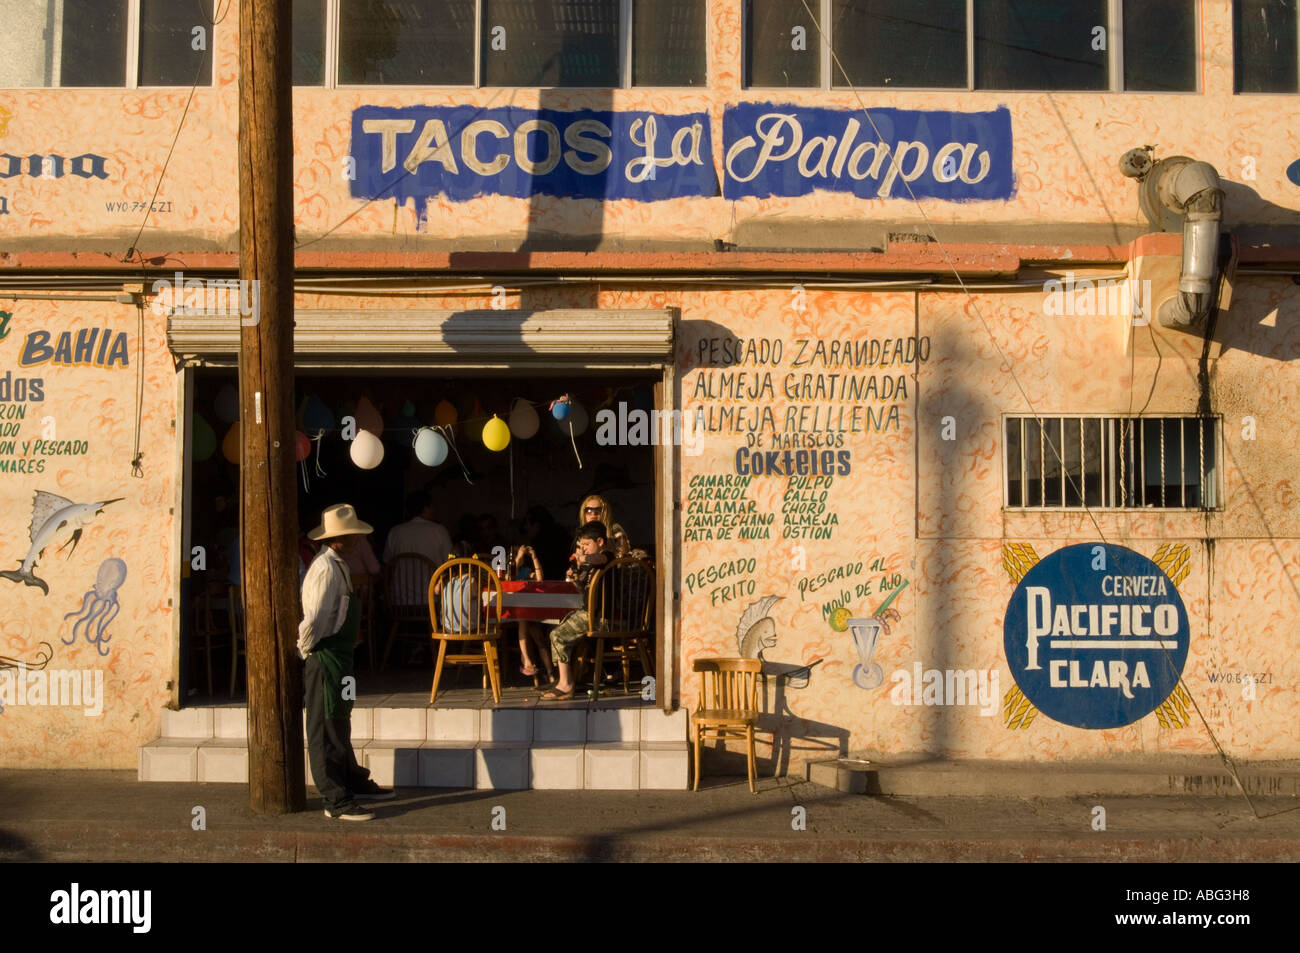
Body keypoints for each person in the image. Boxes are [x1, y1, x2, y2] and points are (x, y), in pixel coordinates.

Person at [298, 503, 395, 821]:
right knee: (324, 728)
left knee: (340, 721)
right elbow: (315, 620)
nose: (357, 538)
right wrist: (307, 650)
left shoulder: (339, 564)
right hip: (326, 657)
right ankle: (335, 799)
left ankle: (353, 780)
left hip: (341, 658)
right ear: (339, 538)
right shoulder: (325, 569)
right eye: (352, 534)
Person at [541, 521, 615, 700]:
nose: (584, 550)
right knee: (556, 629)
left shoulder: (607, 556)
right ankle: (564, 679)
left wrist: (584, 559)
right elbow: (586, 592)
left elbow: (600, 559)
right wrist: (576, 579)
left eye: (587, 545)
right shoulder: (591, 565)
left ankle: (566, 684)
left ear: (600, 542)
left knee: (557, 636)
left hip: (602, 617)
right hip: (590, 614)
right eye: (580, 546)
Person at [512, 541, 555, 684]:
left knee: (539, 638)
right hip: (516, 609)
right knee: (523, 622)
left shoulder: (525, 570)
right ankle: (526, 659)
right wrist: (517, 557)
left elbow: (540, 579)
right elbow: (509, 577)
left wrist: (534, 558)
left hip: (530, 608)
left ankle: (550, 673)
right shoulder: (511, 570)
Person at [384, 490, 454, 566]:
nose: (434, 510)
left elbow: (387, 561)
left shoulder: (394, 531)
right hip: (432, 578)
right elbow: (450, 559)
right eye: (432, 506)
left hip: (400, 578)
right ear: (425, 509)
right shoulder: (439, 530)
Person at [574, 494, 629, 559]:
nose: (593, 514)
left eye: (598, 510)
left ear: (605, 512)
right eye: (588, 510)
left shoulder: (614, 530)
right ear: (583, 513)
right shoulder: (581, 534)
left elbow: (623, 557)